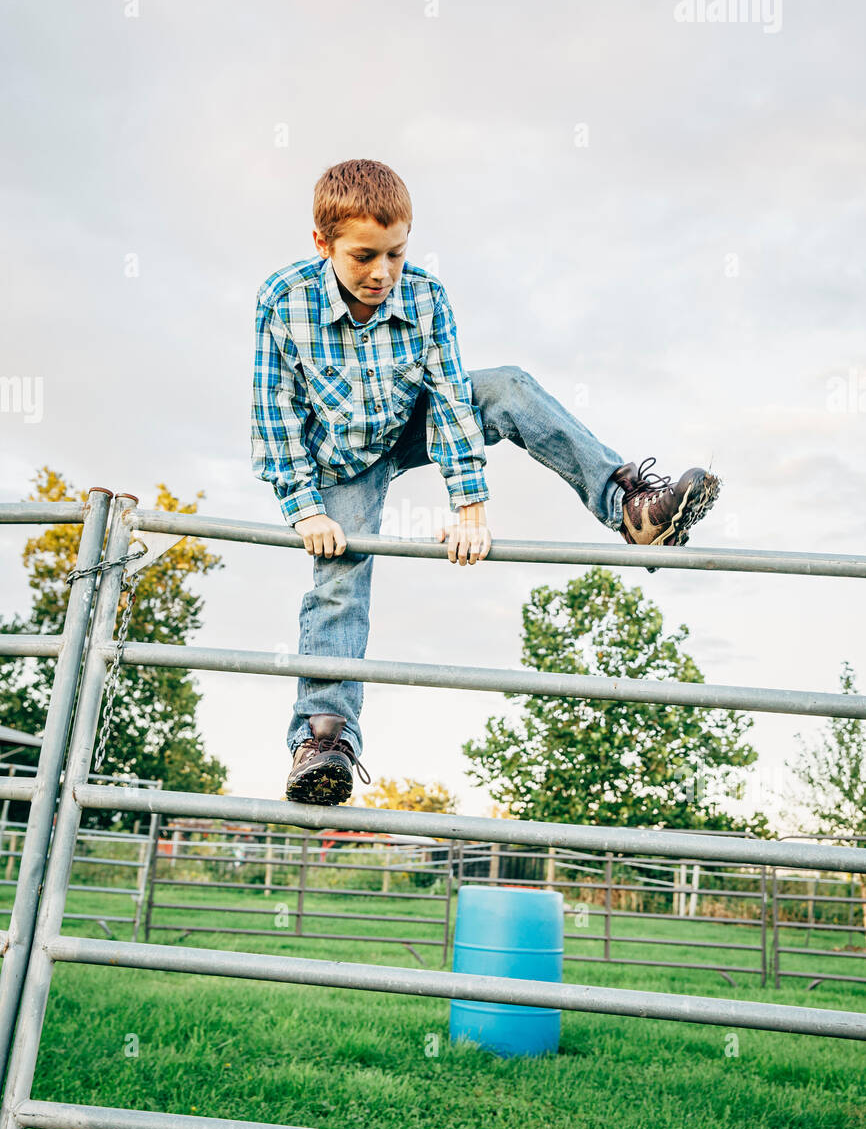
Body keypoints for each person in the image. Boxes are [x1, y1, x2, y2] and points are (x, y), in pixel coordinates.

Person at [251, 159, 721, 805]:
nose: (382, 273)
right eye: (363, 257)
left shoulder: (424, 296)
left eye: (396, 253)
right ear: (322, 244)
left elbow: (448, 399)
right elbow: (273, 415)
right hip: (334, 462)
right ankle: (325, 740)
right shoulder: (283, 299)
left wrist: (469, 504)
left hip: (406, 422)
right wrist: (305, 510)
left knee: (505, 385)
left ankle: (631, 510)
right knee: (341, 573)